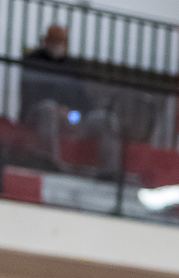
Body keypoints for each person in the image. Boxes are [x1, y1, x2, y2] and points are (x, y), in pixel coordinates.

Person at [20, 23, 120, 177]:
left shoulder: (72, 66)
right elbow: (31, 95)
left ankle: (110, 171)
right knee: (48, 108)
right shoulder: (33, 62)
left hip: (73, 116)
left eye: (60, 43)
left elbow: (84, 100)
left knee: (105, 118)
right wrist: (58, 109)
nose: (57, 47)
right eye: (54, 43)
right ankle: (50, 161)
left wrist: (74, 112)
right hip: (41, 115)